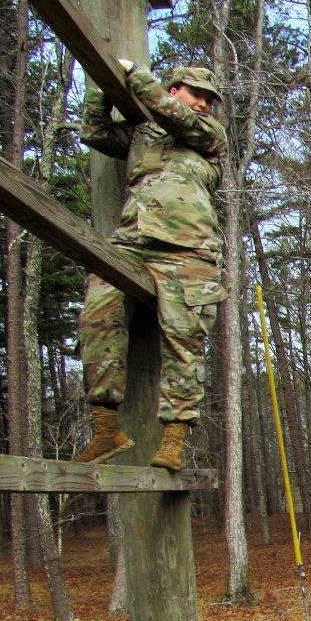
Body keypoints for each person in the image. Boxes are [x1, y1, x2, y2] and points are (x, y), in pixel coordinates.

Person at [74, 61, 227, 473]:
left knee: (185, 343)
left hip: (189, 251)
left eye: (209, 100)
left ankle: (174, 439)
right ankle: (106, 428)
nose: (204, 105)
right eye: (196, 94)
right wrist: (104, 86)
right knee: (97, 315)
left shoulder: (208, 137)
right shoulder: (143, 134)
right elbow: (95, 132)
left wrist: (137, 77)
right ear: (175, 89)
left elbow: (170, 115)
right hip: (132, 242)